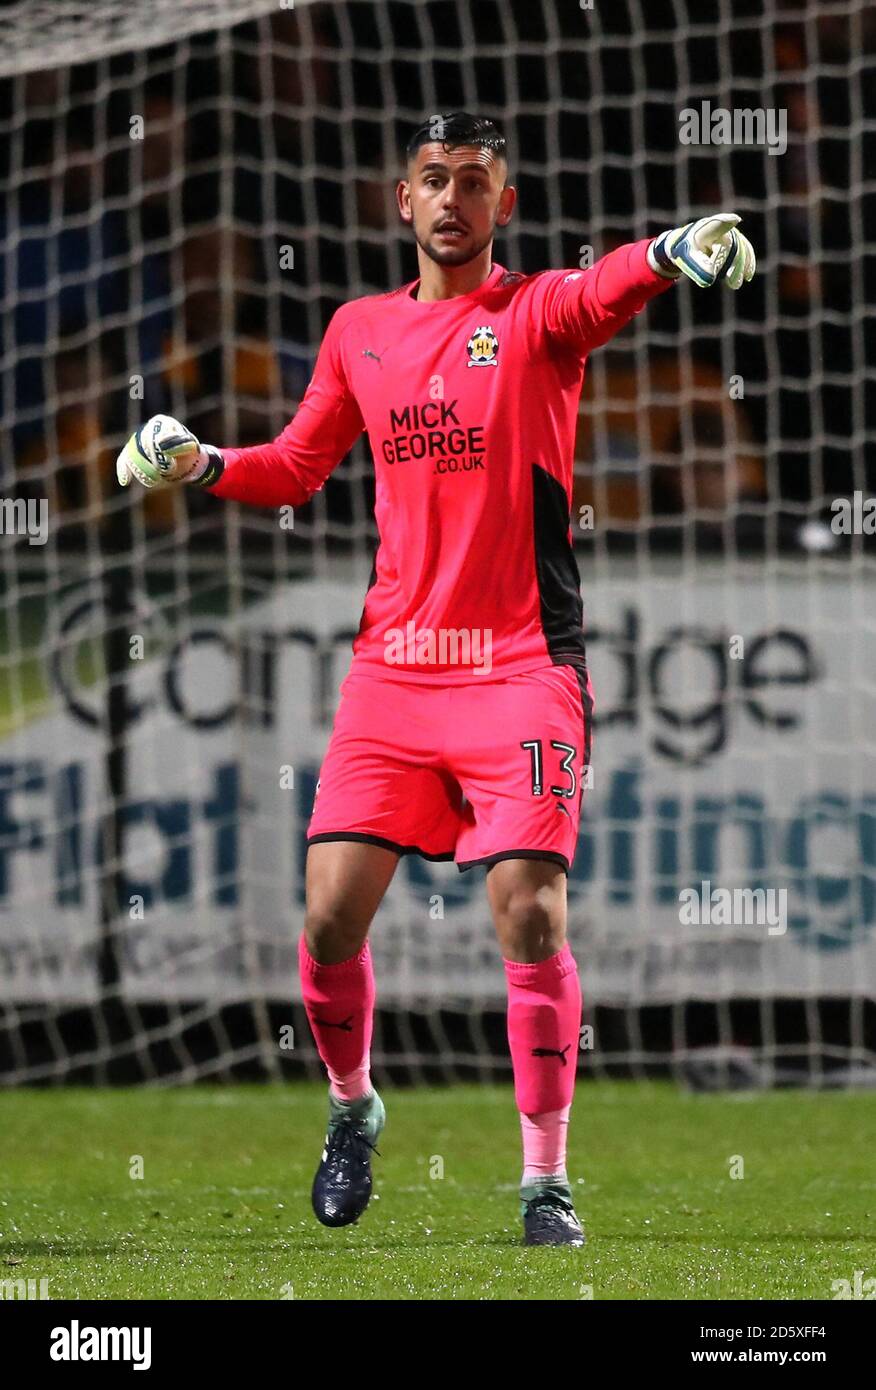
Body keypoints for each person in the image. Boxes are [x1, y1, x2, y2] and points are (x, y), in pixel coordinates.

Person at [116, 112, 756, 1246]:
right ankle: (354, 1105)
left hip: (521, 665)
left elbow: (602, 288)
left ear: (502, 206)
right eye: (432, 179)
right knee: (324, 920)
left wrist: (671, 249)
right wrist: (202, 461)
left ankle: (544, 1182)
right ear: (402, 201)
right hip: (394, 673)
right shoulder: (357, 330)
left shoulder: (533, 315)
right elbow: (296, 468)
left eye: (474, 181)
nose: (452, 197)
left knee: (529, 908)